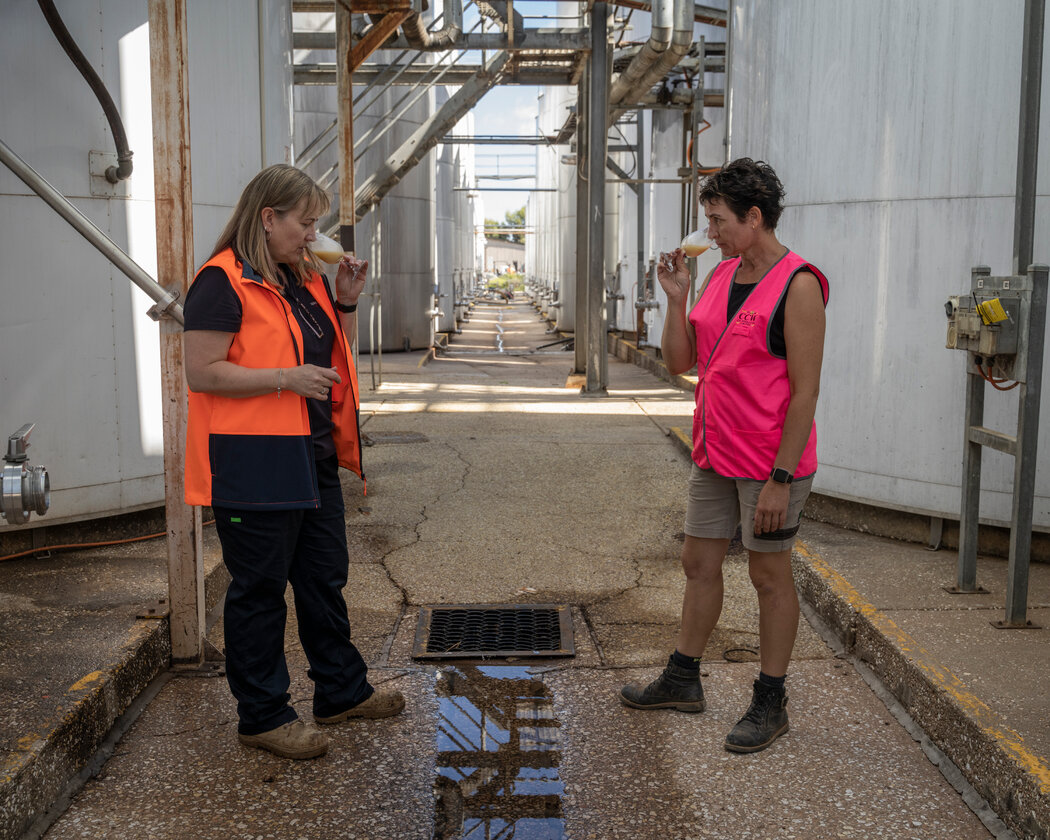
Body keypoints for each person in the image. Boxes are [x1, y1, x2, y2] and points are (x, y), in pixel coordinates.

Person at [183, 164, 404, 760]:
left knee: (322, 579)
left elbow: (329, 358)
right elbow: (200, 371)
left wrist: (347, 304)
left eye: (315, 224)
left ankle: (340, 691)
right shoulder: (220, 281)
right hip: (253, 461)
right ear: (267, 218)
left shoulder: (301, 279)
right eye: (304, 222)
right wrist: (283, 378)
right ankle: (263, 715)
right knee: (258, 591)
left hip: (311, 453)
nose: (312, 235)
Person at [620, 158, 828, 753]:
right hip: (714, 448)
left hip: (769, 460)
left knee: (767, 574)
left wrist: (781, 480)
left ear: (754, 217)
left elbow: (806, 391)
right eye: (708, 221)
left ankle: (771, 701)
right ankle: (683, 679)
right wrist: (676, 299)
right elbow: (682, 363)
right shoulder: (718, 275)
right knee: (696, 562)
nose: (708, 233)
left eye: (717, 221)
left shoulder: (800, 284)